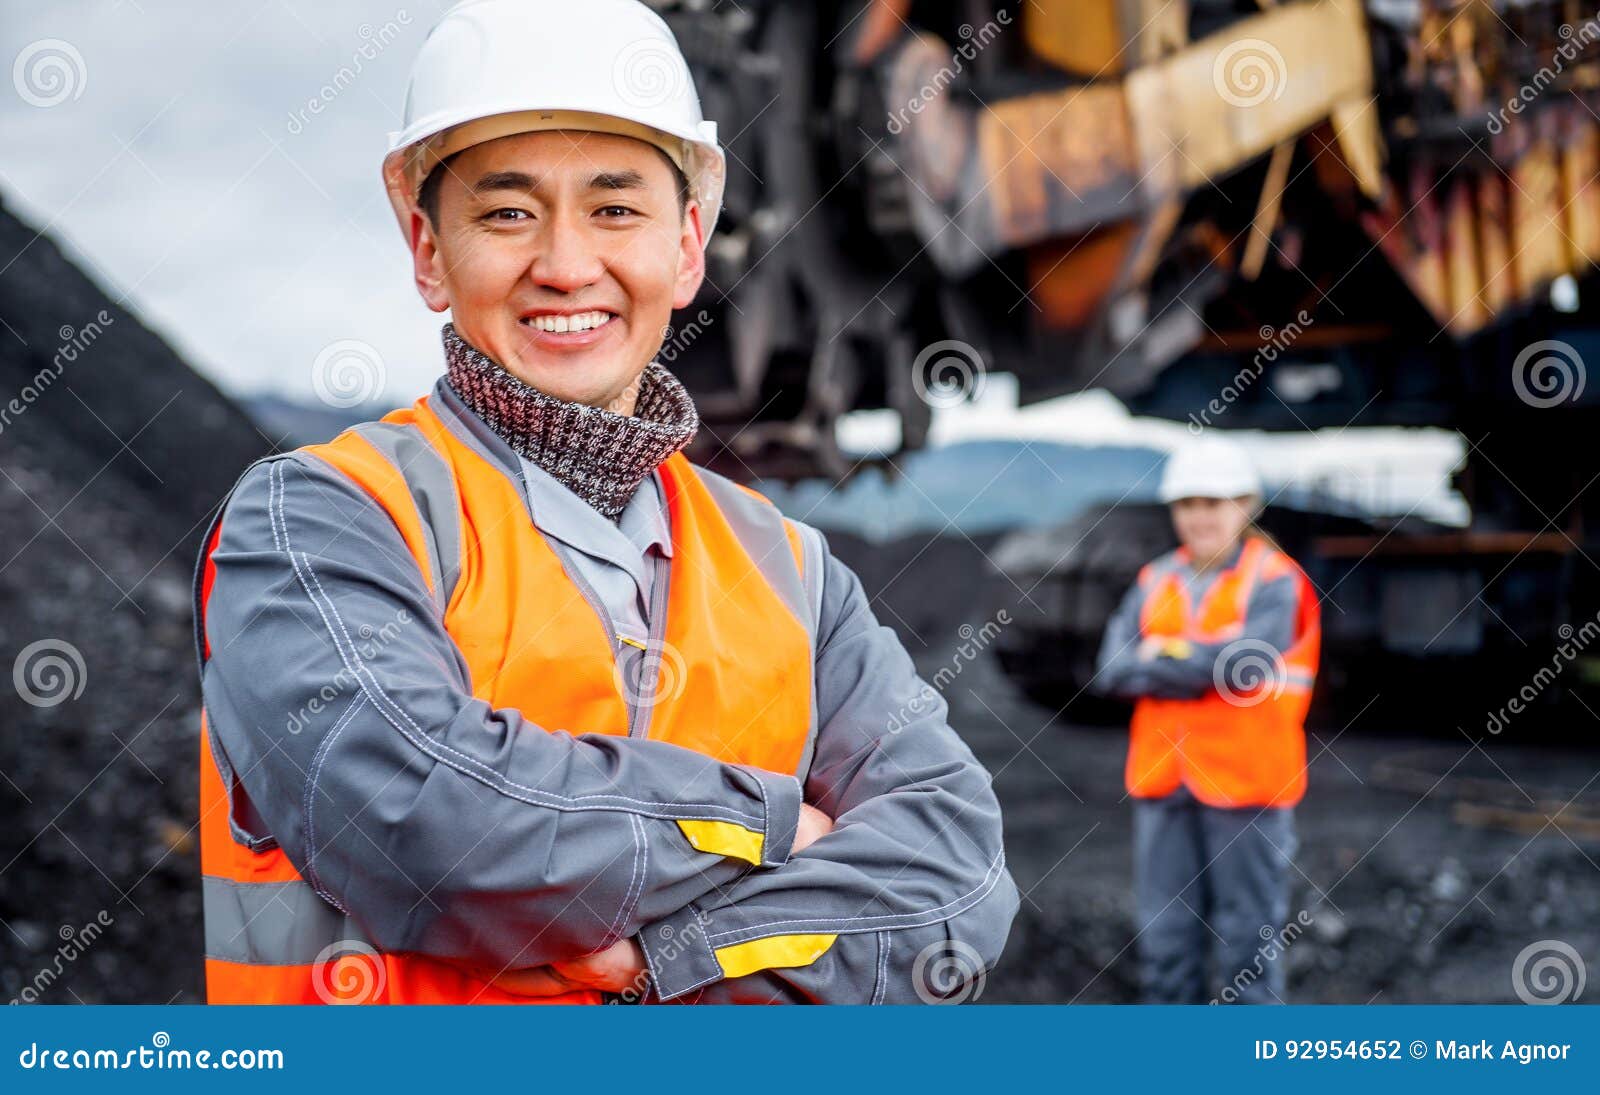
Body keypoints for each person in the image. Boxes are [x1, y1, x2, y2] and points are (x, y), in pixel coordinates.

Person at [194, 0, 1016, 1005]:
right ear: (426, 250)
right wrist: (775, 828)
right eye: (507, 212)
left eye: (615, 209)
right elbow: (429, 827)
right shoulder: (319, 524)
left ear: (685, 248)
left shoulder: (789, 569)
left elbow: (957, 879)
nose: (567, 264)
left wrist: (671, 954)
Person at [1093, 435, 1320, 1004]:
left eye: (1214, 503)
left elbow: (1241, 669)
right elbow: (1113, 671)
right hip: (1165, 782)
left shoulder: (1276, 581)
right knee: (1166, 942)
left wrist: (1162, 655)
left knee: (1249, 947)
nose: (1200, 517)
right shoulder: (1155, 580)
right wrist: (1200, 663)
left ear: (1245, 505)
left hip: (1246, 785)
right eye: (1188, 504)